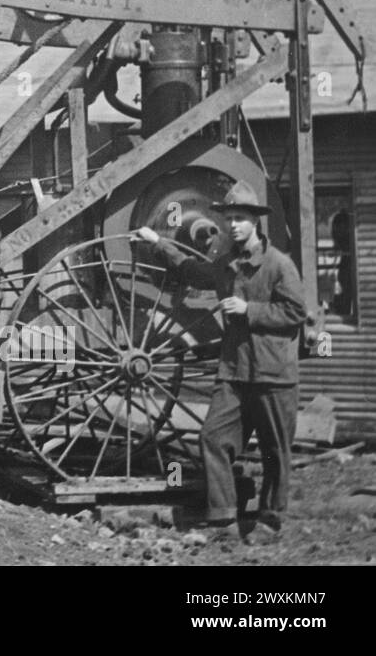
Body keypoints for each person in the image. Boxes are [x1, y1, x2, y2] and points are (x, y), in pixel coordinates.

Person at [137, 180, 307, 544]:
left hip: (273, 376)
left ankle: (269, 523)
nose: (233, 225)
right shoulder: (225, 264)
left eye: (241, 218)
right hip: (234, 373)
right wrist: (157, 243)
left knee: (275, 452)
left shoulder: (279, 265)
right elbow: (191, 270)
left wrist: (251, 310)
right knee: (213, 438)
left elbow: (295, 312)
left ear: (256, 223)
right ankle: (224, 521)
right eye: (229, 218)